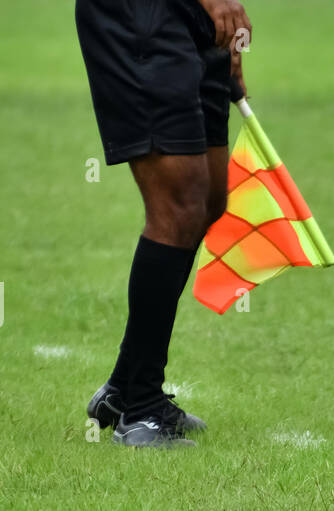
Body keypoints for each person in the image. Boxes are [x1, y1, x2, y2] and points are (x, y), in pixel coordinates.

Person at [75, 0, 251, 447]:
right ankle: (142, 410)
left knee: (209, 198)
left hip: (196, 19)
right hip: (141, 15)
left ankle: (123, 389)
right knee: (178, 204)